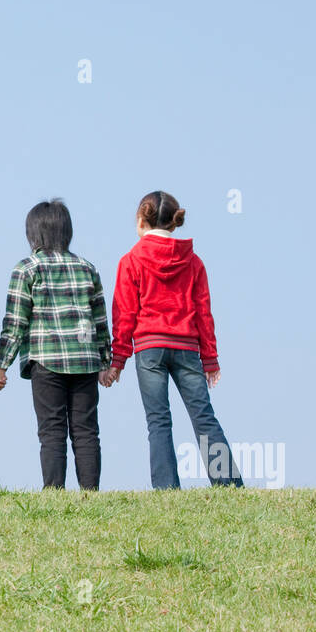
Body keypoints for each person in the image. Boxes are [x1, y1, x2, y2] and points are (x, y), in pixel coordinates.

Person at [106, 190, 243, 488]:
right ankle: (229, 484)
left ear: (142, 219)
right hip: (187, 348)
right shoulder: (194, 262)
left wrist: (117, 360)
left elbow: (125, 314)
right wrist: (210, 359)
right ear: (174, 223)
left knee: (158, 422)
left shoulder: (130, 260)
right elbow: (203, 313)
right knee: (205, 418)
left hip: (149, 347)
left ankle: (166, 489)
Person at [0, 199, 110, 490]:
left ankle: (54, 491)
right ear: (67, 232)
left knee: (52, 430)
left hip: (46, 360)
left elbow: (16, 322)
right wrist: (106, 362)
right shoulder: (87, 268)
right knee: (86, 430)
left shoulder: (27, 269)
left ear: (33, 234)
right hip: (85, 361)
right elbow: (101, 321)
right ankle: (90, 493)